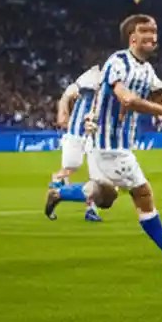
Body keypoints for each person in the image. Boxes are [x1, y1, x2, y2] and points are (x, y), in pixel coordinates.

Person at [44, 14, 162, 266]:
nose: (152, 36)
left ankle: (60, 192)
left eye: (154, 31)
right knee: (143, 193)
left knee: (105, 196)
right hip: (108, 145)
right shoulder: (117, 62)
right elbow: (127, 99)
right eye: (145, 31)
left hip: (111, 144)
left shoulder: (147, 70)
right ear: (133, 37)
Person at [50, 63, 105, 222]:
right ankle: (54, 195)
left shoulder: (113, 82)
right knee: (68, 170)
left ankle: (91, 209)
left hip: (94, 134)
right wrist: (63, 112)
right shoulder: (91, 76)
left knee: (97, 174)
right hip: (76, 132)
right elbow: (68, 93)